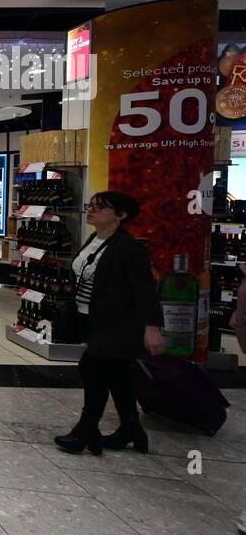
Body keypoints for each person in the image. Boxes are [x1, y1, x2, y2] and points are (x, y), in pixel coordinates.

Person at [54, 191, 165, 455]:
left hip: (117, 322)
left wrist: (152, 328)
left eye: (100, 208)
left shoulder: (128, 246)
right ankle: (131, 429)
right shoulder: (94, 239)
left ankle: (85, 430)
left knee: (92, 369)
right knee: (117, 376)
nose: (91, 210)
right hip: (90, 318)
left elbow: (145, 290)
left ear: (120, 215)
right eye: (91, 206)